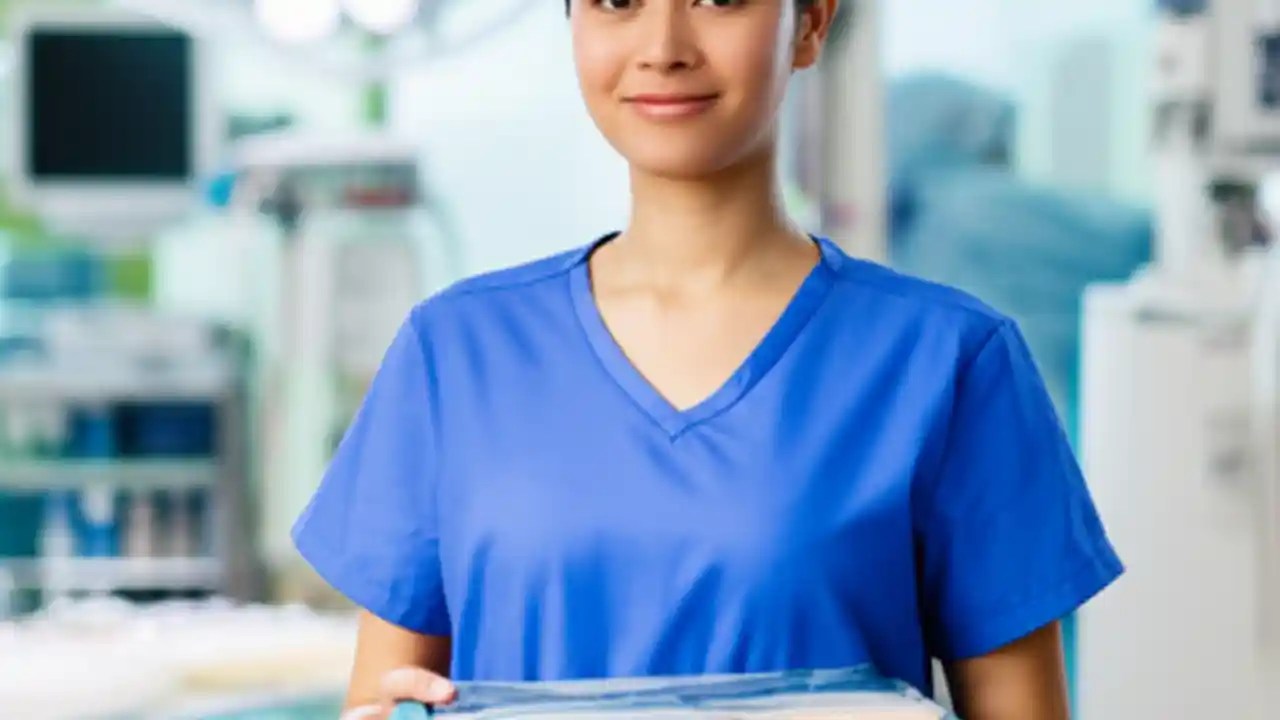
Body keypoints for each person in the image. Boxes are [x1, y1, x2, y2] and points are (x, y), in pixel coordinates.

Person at [292, 1, 1123, 718]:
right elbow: (385, 693)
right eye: (617, 1)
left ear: (811, 25)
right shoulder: (455, 355)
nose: (663, 45)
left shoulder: (949, 364)